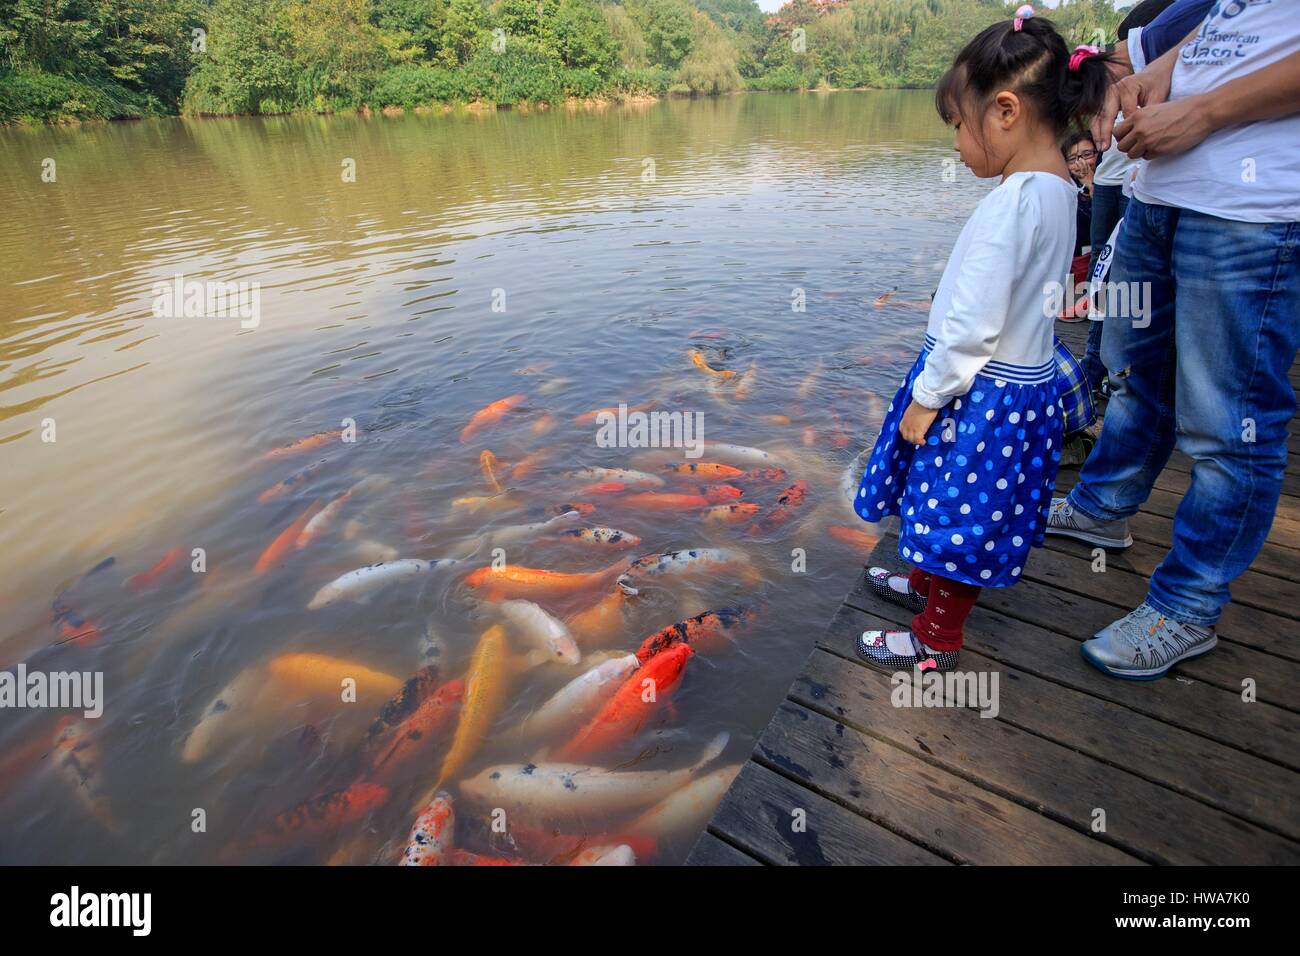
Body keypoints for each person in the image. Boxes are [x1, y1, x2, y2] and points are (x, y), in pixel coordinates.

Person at [851, 6, 1112, 672]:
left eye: (959, 128)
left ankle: (936, 639)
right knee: (966, 511)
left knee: (957, 520)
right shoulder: (1059, 189)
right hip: (1023, 388)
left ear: (1004, 112)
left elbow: (971, 326)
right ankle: (927, 587)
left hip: (977, 392)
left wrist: (927, 397)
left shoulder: (1012, 203)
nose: (958, 145)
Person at [1047, 0, 1300, 679]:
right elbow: (1234, 29)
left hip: (1254, 210)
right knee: (1134, 377)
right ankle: (1104, 507)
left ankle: (1188, 604)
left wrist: (1207, 111)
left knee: (1228, 420)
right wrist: (1156, 74)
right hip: (1158, 190)